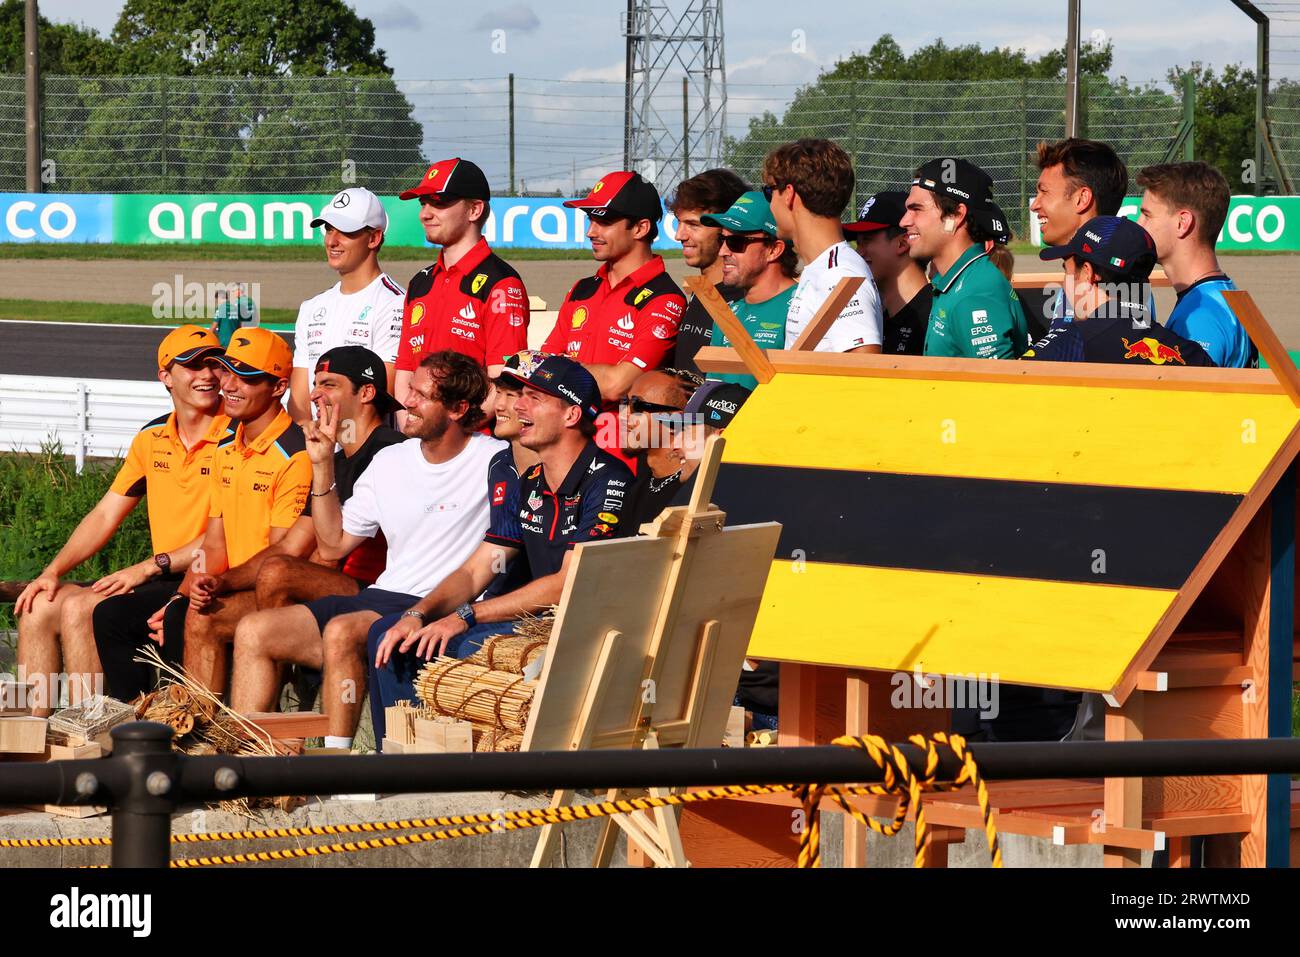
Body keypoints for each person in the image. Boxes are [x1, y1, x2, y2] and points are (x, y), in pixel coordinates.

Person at [230, 351, 504, 748]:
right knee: (254, 630)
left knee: (342, 631)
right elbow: (333, 543)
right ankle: (248, 755)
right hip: (383, 595)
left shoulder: (495, 460)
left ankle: (338, 764)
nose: (407, 401)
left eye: (421, 395)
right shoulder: (390, 459)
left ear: (458, 409)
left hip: (439, 602)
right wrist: (322, 465)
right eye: (410, 390)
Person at [367, 355, 635, 741]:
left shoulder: (608, 480)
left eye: (535, 398)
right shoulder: (531, 480)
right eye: (520, 395)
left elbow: (569, 583)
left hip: (583, 627)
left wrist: (466, 615)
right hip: (536, 620)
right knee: (391, 633)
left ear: (572, 415)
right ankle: (398, 754)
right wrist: (418, 612)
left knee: (464, 642)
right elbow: (478, 568)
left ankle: (462, 758)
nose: (518, 406)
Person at [15, 327, 229, 714]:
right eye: (193, 366)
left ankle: (89, 727)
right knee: (38, 604)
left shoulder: (235, 434)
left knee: (81, 607)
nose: (207, 375)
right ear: (165, 376)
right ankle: (29, 732)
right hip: (162, 573)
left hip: (204, 574)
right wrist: (52, 570)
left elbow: (224, 535)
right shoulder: (152, 437)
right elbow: (105, 513)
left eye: (215, 364)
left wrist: (148, 566)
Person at [99, 329, 312, 700]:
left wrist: (211, 587)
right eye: (228, 371)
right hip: (229, 582)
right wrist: (177, 597)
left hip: (271, 591)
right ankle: (137, 721)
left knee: (185, 617)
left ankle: (190, 721)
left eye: (246, 377)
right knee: (113, 615)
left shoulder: (296, 454)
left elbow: (280, 560)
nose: (227, 384)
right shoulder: (227, 449)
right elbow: (214, 544)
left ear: (279, 387)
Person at [394, 157, 529, 407]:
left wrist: (456, 426)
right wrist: (411, 422)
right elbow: (404, 371)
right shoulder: (420, 282)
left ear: (474, 210)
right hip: (419, 429)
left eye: (439, 202)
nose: (425, 214)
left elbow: (502, 385)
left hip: (470, 429)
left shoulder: (502, 283)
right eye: (423, 204)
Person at [543, 171, 688, 404]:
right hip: (567, 423)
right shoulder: (582, 289)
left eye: (604, 222)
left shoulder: (665, 299)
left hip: (620, 426)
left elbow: (617, 386)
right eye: (590, 220)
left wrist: (559, 371)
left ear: (640, 228)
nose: (591, 232)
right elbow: (541, 366)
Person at [1022, 216, 1213, 366]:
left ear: (1088, 273)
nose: (1064, 283)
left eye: (1067, 271)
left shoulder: (1067, 346)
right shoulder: (1192, 355)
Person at [287, 188, 404, 423]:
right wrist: (311, 436)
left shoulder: (397, 304)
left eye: (345, 231)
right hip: (316, 442)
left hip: (366, 445)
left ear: (374, 238)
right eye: (329, 229)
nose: (332, 240)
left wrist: (336, 439)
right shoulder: (311, 307)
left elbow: (380, 395)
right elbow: (299, 403)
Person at [761, 138, 883, 354]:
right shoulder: (824, 266)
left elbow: (865, 364)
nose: (769, 204)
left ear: (789, 194)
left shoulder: (838, 272)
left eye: (770, 192)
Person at [901, 157, 1029, 359]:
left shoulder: (975, 293)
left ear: (955, 215)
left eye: (916, 209)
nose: (904, 221)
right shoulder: (958, 280)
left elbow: (997, 379)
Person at [1137, 161, 1255, 368]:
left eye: (1147, 215)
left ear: (1182, 223)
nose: (1139, 224)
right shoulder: (1216, 296)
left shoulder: (1201, 316)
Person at [1029, 139, 1142, 329]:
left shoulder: (1112, 285)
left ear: (1082, 199)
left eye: (1044, 192)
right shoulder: (1114, 274)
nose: (1034, 205)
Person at [700, 190, 798, 389]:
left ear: (773, 250)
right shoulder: (728, 313)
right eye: (721, 240)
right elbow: (712, 391)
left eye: (736, 242)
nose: (722, 251)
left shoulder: (801, 307)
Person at [667, 168, 749, 375]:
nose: (679, 235)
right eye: (679, 222)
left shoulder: (743, 299)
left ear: (727, 228)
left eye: (693, 225)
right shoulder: (701, 291)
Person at [843, 190, 931, 356]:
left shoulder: (933, 317)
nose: (858, 252)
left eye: (867, 240)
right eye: (858, 243)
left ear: (902, 244)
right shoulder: (875, 315)